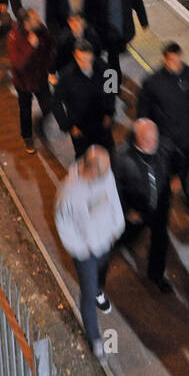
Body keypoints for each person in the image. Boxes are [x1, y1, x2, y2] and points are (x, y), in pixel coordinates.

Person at [54, 147, 125, 359]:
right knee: (87, 289)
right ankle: (94, 338)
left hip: (105, 243)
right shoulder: (69, 191)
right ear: (91, 170)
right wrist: (80, 249)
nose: (107, 177)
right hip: (85, 252)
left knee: (100, 275)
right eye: (103, 173)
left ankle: (98, 291)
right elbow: (62, 223)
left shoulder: (105, 175)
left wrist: (116, 228)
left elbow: (113, 199)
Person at [114, 119, 174, 291]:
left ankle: (156, 275)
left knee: (160, 241)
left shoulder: (162, 146)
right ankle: (118, 243)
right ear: (138, 139)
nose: (154, 144)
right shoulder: (121, 158)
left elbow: (174, 159)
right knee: (129, 232)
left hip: (160, 207)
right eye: (148, 140)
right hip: (137, 210)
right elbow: (115, 190)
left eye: (155, 139)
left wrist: (176, 177)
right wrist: (126, 211)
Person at [137, 42, 189, 210]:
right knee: (164, 172)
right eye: (172, 60)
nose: (176, 64)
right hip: (165, 139)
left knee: (185, 168)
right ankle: (161, 201)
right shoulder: (152, 82)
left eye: (178, 60)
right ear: (165, 60)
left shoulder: (187, 73)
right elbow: (143, 111)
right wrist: (146, 136)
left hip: (185, 136)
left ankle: (188, 196)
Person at [90, 0, 148, 98]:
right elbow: (94, 15)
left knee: (120, 49)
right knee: (113, 60)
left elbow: (137, 3)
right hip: (109, 34)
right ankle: (113, 86)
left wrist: (143, 21)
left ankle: (114, 78)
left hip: (125, 30)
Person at [54, 41, 115, 158]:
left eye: (87, 59)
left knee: (108, 152)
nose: (84, 64)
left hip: (101, 122)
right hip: (80, 127)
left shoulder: (105, 69)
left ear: (92, 55)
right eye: (80, 59)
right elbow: (56, 102)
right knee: (84, 157)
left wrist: (109, 113)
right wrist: (68, 126)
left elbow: (111, 92)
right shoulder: (66, 76)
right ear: (75, 56)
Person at [6, 7, 54, 154]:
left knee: (50, 105)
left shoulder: (40, 29)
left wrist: (50, 70)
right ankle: (27, 137)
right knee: (25, 110)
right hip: (24, 83)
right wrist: (31, 47)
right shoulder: (14, 37)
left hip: (40, 78)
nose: (39, 20)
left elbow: (49, 48)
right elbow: (18, 64)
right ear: (26, 23)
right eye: (34, 18)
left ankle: (39, 124)